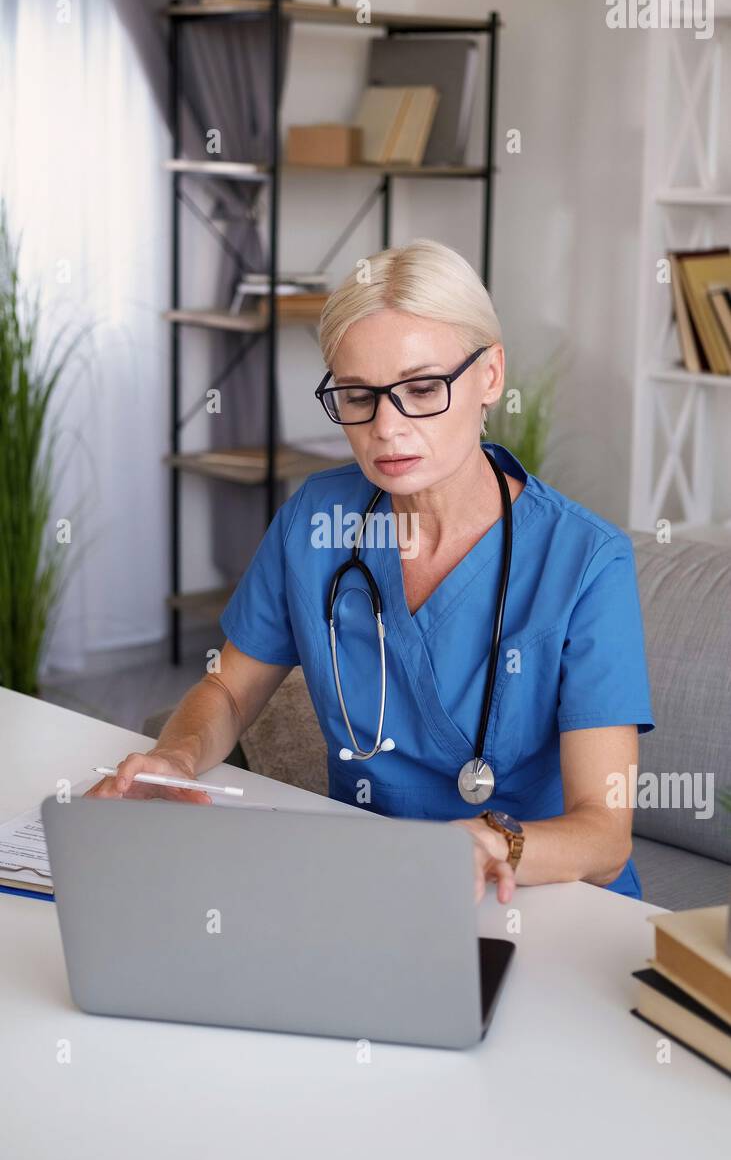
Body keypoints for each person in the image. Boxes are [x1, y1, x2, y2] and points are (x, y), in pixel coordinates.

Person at [88, 238, 654, 905]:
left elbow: (602, 832)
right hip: (369, 883)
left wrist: (486, 844)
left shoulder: (585, 562)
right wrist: (176, 759)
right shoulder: (315, 520)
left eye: (421, 389)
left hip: (543, 899)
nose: (386, 428)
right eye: (357, 395)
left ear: (490, 376)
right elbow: (231, 693)